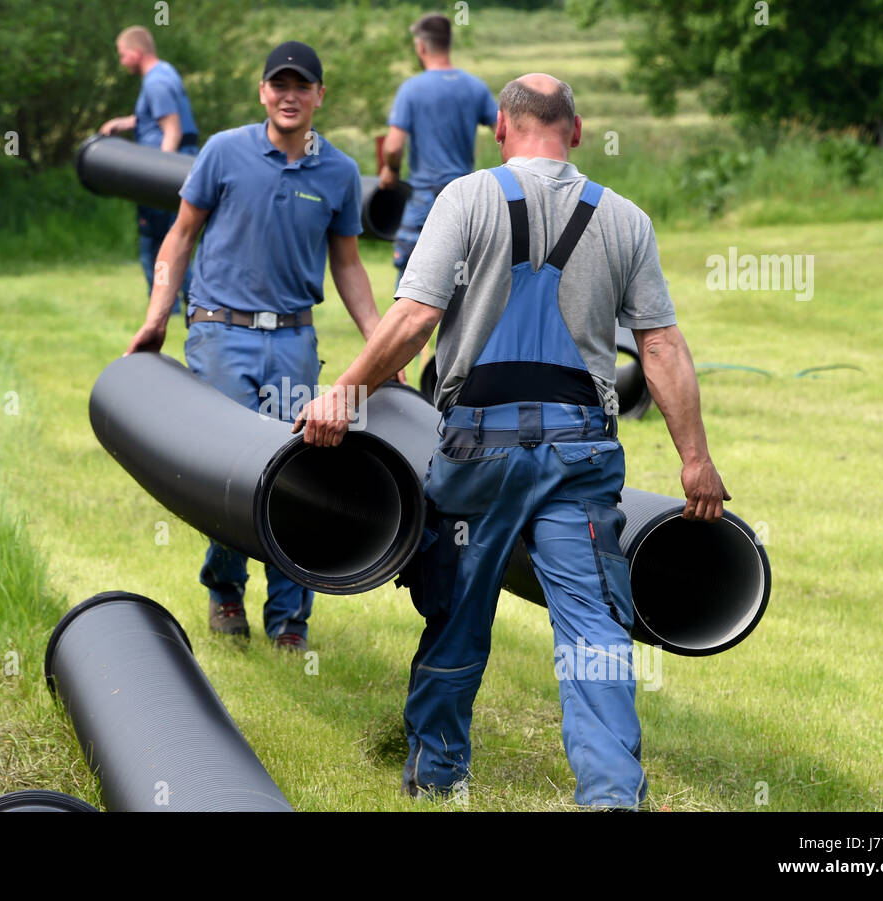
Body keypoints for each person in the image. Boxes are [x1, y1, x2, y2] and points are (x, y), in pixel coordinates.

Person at [296, 74, 731, 808]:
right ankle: (611, 796)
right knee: (593, 626)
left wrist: (343, 391)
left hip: (478, 449)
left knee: (459, 613)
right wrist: (696, 459)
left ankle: (437, 778)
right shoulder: (626, 218)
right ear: (579, 129)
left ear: (500, 127)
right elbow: (661, 347)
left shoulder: (465, 199)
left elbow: (412, 318)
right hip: (580, 454)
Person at [125, 41, 402, 651]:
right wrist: (156, 317)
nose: (289, 95)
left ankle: (288, 621)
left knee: (299, 473)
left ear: (318, 96)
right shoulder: (223, 152)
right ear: (262, 92)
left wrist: (384, 345)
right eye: (279, 84)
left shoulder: (335, 171)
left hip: (295, 341)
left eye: (302, 86)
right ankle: (225, 589)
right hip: (221, 332)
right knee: (232, 470)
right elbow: (178, 238)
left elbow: (350, 267)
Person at [379, 13, 498, 285]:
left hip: (424, 199)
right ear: (448, 43)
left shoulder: (411, 89)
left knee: (410, 284)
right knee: (464, 282)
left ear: (421, 46)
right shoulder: (475, 87)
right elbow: (505, 132)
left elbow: (394, 146)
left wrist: (391, 171)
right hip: (466, 201)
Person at [99, 25, 198, 313]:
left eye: (122, 55)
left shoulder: (155, 82)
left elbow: (172, 130)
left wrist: (156, 177)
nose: (121, 62)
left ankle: (175, 307)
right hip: (180, 168)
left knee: (157, 244)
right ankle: (184, 306)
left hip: (165, 174)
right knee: (175, 239)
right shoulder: (165, 73)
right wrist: (124, 123)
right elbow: (154, 118)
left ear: (136, 52)